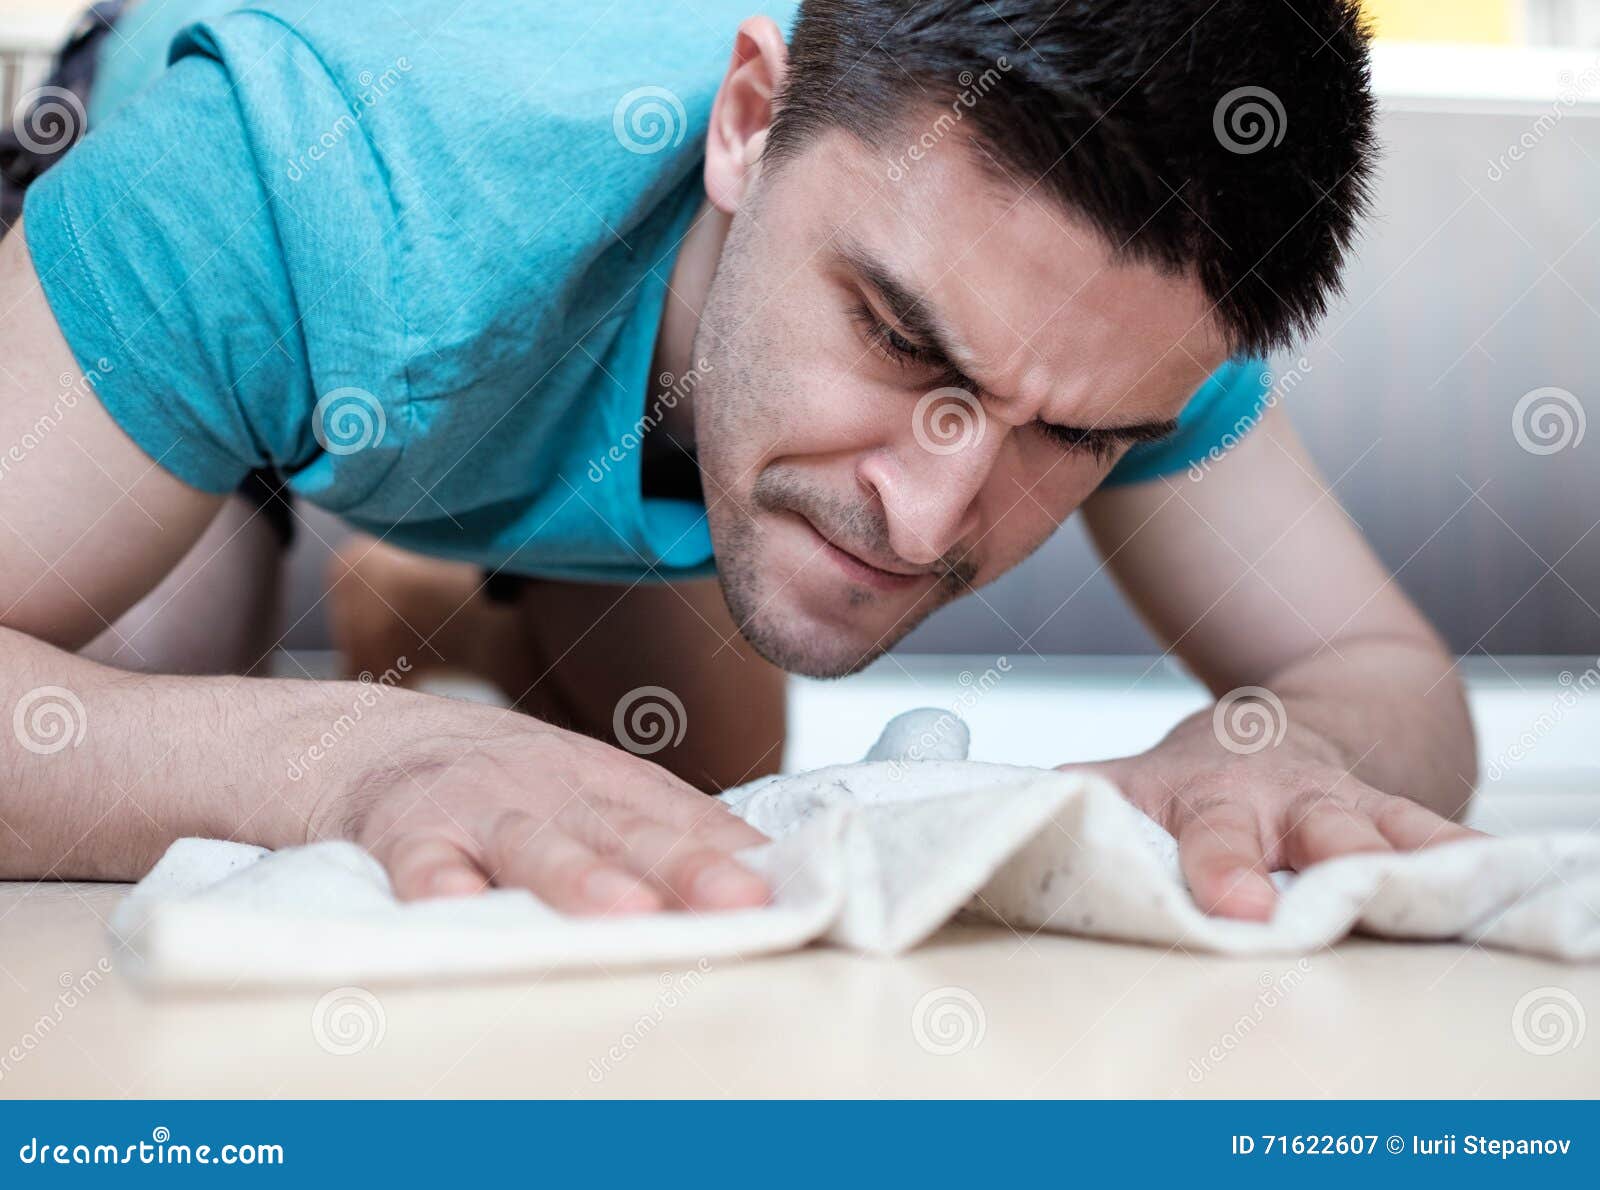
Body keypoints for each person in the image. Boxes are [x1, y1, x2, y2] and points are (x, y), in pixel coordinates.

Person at [0, 0, 1476, 922]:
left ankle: (438, 596)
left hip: (579, 355)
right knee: (140, 665)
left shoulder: (1129, 301)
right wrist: (365, 755)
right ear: (747, 123)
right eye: (903, 339)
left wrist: (1272, 749)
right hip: (248, 294)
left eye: (1075, 437)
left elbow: (1376, 668)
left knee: (697, 775)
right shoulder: (290, 171)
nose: (927, 515)